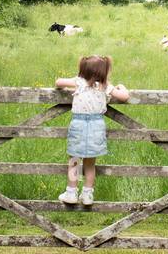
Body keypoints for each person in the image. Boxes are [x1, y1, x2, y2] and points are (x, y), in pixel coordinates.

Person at [55, 55, 129, 206]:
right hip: (96, 126)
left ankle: (71, 193)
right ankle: (87, 195)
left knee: (74, 161)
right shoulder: (104, 86)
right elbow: (124, 96)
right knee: (90, 164)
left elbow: (58, 82)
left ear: (84, 70)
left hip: (78, 124)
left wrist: (73, 80)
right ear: (103, 72)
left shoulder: (78, 82)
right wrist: (121, 86)